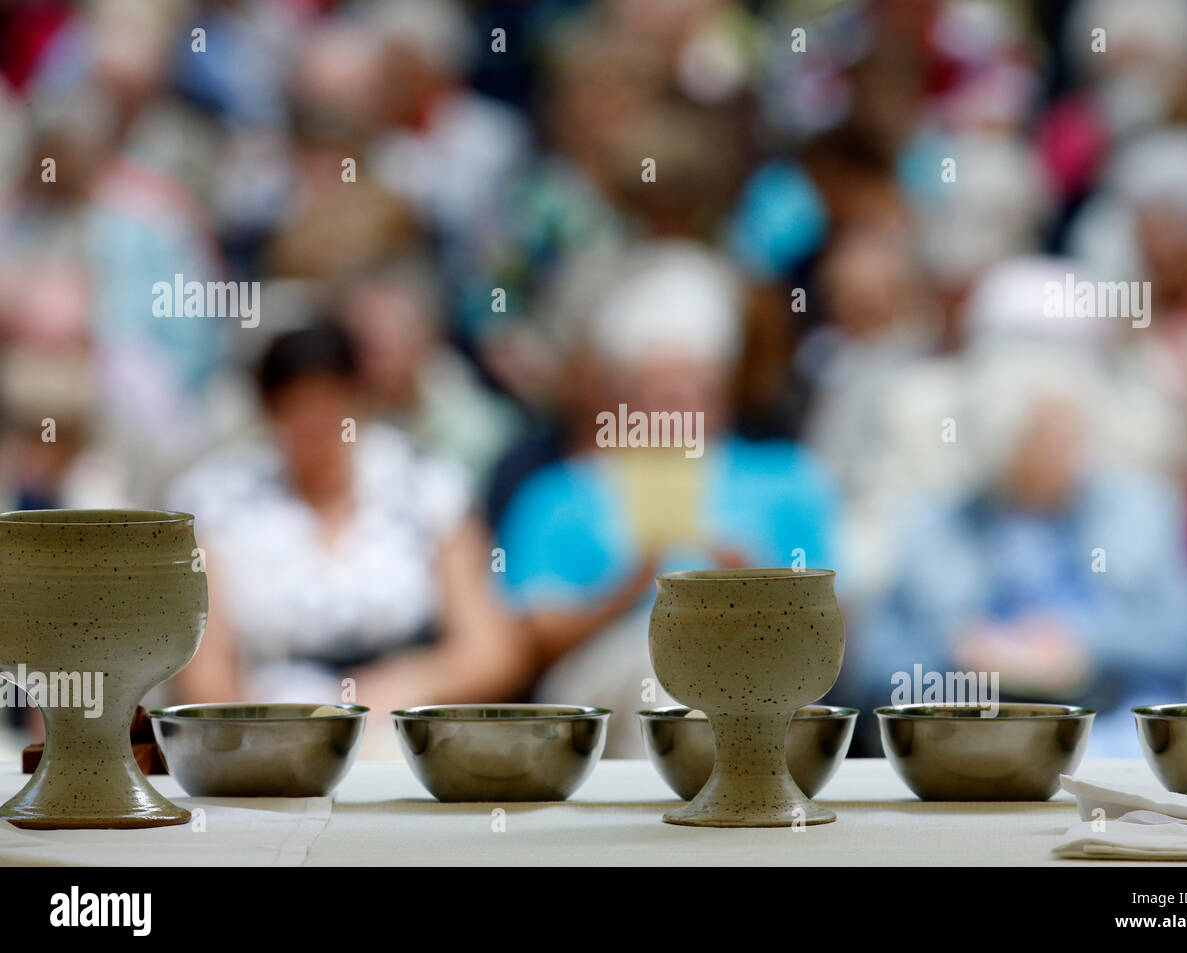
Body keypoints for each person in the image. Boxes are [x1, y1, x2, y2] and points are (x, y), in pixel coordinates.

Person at [496, 241, 839, 754]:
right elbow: (536, 637)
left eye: (694, 387)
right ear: (623, 396)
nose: (677, 403)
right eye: (659, 390)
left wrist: (756, 580)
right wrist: (633, 582)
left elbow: (833, 620)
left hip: (765, 671)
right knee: (663, 666)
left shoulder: (788, 477)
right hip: (608, 683)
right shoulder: (560, 493)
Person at [167, 323, 529, 755]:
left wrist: (399, 691)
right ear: (268, 411)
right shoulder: (212, 501)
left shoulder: (429, 485)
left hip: (409, 722)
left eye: (330, 405)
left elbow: (491, 651)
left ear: (360, 401)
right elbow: (205, 676)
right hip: (269, 733)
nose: (315, 425)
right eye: (297, 408)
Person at [841, 345, 1187, 757]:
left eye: (1074, 429)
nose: (1068, 446)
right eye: (1044, 434)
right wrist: (957, 649)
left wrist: (1086, 646)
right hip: (967, 729)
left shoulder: (1143, 511)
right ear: (1001, 439)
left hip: (1110, 728)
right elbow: (873, 663)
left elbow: (1184, 635)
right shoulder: (934, 525)